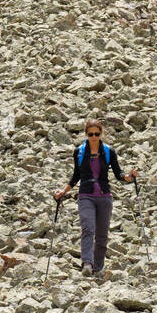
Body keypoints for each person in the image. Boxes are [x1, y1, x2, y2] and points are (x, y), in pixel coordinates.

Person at [53, 119, 137, 278]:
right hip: (85, 195)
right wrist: (63, 191)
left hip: (104, 196)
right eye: (90, 134)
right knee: (88, 227)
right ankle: (87, 263)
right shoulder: (79, 151)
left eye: (97, 134)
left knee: (102, 234)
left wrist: (129, 177)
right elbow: (76, 175)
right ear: (86, 134)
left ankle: (97, 267)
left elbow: (118, 174)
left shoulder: (108, 151)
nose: (93, 136)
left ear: (101, 134)